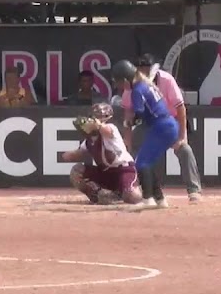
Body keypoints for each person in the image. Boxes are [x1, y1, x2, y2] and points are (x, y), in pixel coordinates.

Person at [121, 54, 202, 203]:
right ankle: (136, 189)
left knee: (184, 150)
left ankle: (193, 190)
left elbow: (180, 107)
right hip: (149, 123)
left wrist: (182, 136)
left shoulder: (165, 80)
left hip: (166, 122)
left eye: (146, 69)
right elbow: (129, 110)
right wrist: (127, 138)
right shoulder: (133, 86)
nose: (144, 72)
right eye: (140, 69)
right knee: (133, 154)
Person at [110, 59, 178, 211]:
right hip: (166, 126)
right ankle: (159, 198)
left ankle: (148, 199)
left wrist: (128, 123)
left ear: (126, 79)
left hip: (162, 127)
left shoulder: (137, 90)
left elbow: (139, 115)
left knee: (141, 162)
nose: (119, 86)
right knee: (147, 161)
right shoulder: (145, 85)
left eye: (119, 82)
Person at [61, 103, 143, 207]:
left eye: (98, 117)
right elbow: (76, 154)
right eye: (94, 117)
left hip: (124, 170)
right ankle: (100, 196)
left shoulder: (111, 128)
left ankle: (141, 190)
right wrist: (64, 155)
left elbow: (107, 131)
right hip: (106, 173)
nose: (94, 120)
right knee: (76, 171)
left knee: (131, 197)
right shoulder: (89, 140)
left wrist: (97, 124)